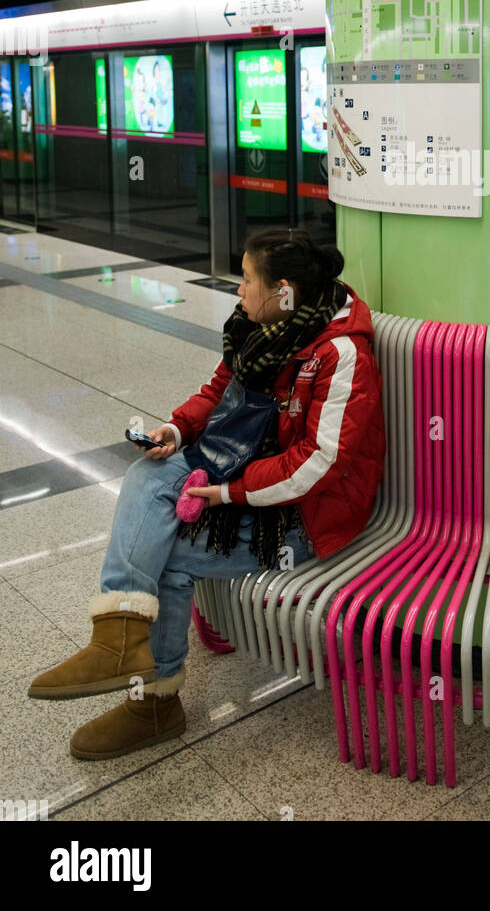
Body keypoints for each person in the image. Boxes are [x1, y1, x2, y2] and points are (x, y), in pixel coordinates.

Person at [27, 228, 386, 760]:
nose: (238, 291)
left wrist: (227, 493)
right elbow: (220, 391)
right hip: (243, 473)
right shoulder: (256, 328)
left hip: (308, 515)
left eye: (246, 279)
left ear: (283, 290)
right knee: (147, 474)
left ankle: (152, 695)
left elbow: (318, 464)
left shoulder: (338, 353)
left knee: (168, 553)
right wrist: (176, 431)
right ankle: (120, 638)